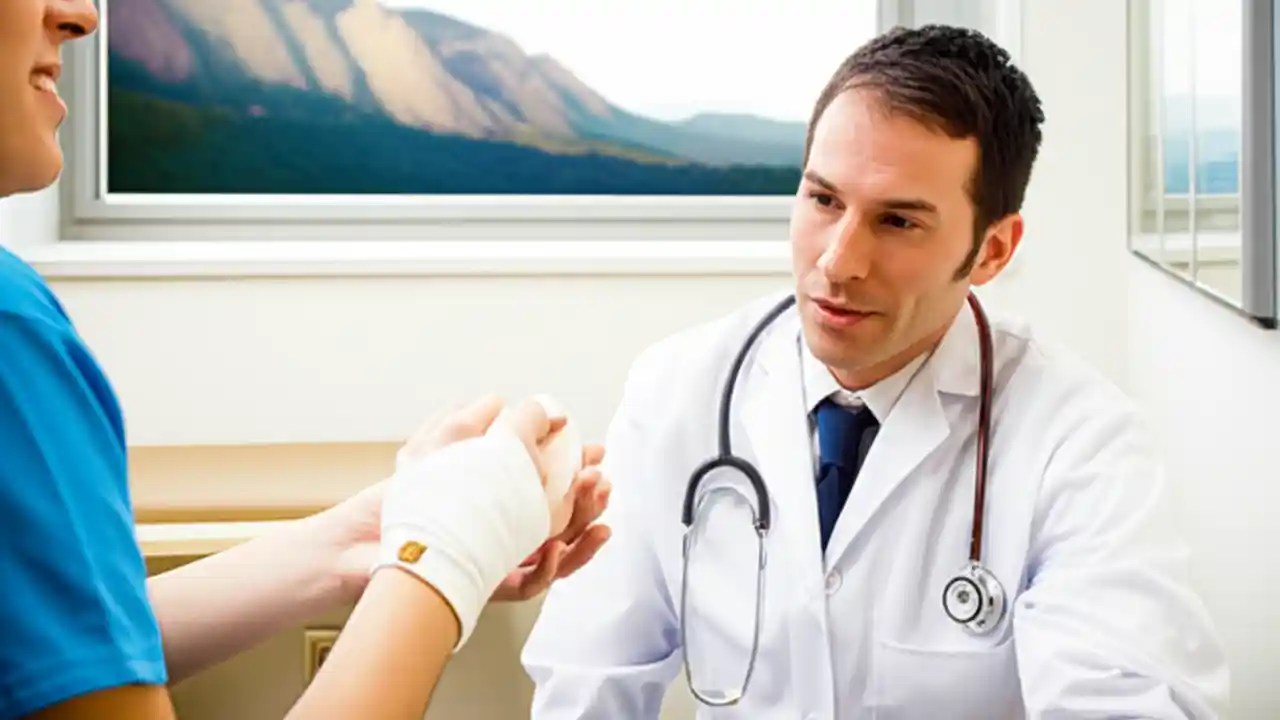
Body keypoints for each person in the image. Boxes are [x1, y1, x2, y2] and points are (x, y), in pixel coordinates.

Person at [521, 24, 1229, 718]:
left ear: (992, 251)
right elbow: (587, 683)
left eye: (898, 222)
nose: (837, 261)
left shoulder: (1080, 443)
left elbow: (1120, 698)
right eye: (823, 200)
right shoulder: (680, 390)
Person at [0, 2, 610, 718]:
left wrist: (348, 546)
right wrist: (446, 555)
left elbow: (49, 657)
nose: (78, 15)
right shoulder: (13, 337)